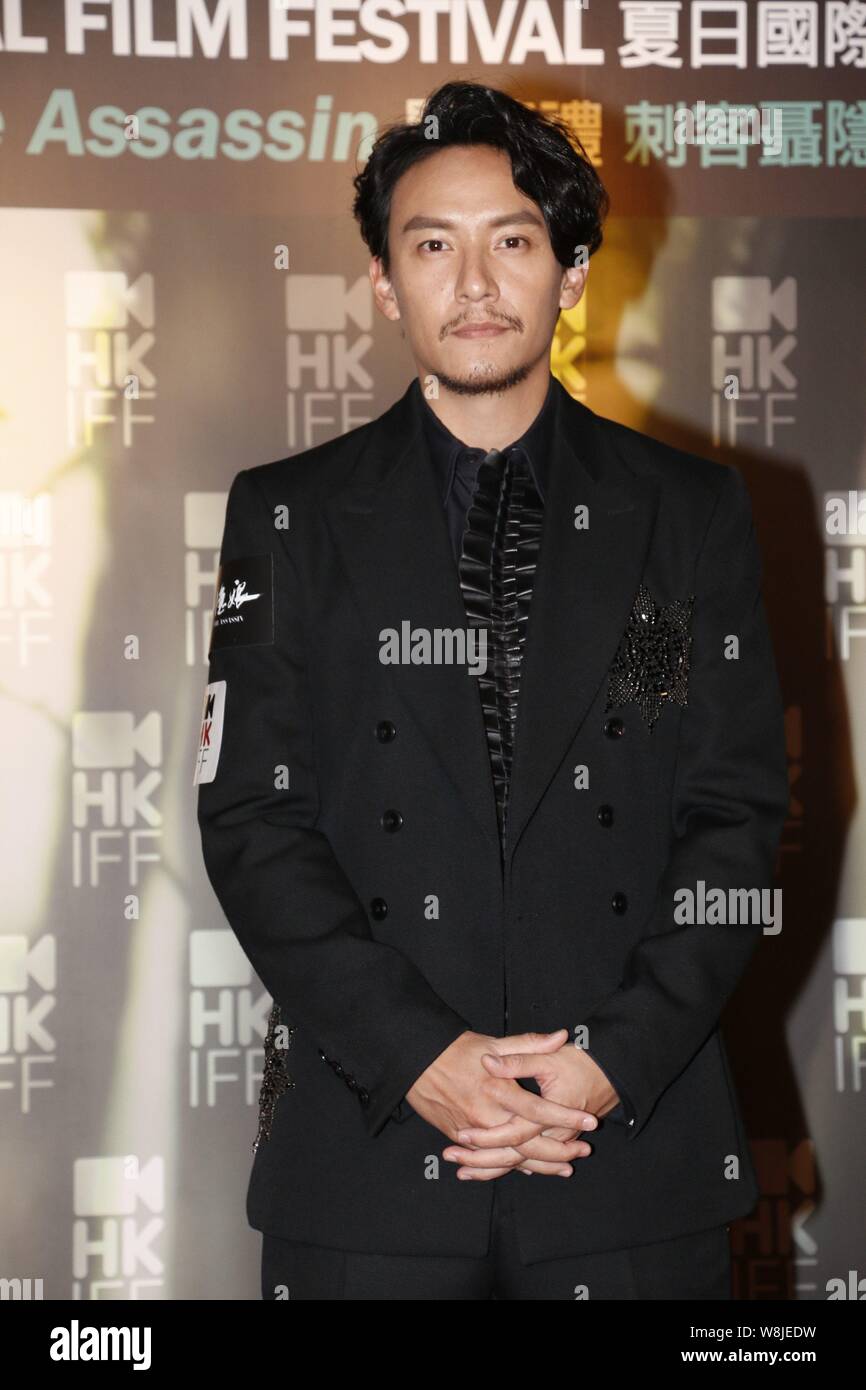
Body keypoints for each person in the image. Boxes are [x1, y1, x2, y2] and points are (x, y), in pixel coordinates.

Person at [195, 81, 789, 1301]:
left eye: (511, 240)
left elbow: (723, 813)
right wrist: (419, 1056)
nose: (472, 283)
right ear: (381, 281)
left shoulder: (675, 518)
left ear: (569, 272)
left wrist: (607, 1061)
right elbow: (254, 818)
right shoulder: (292, 518)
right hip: (370, 1152)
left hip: (622, 1153)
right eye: (431, 245)